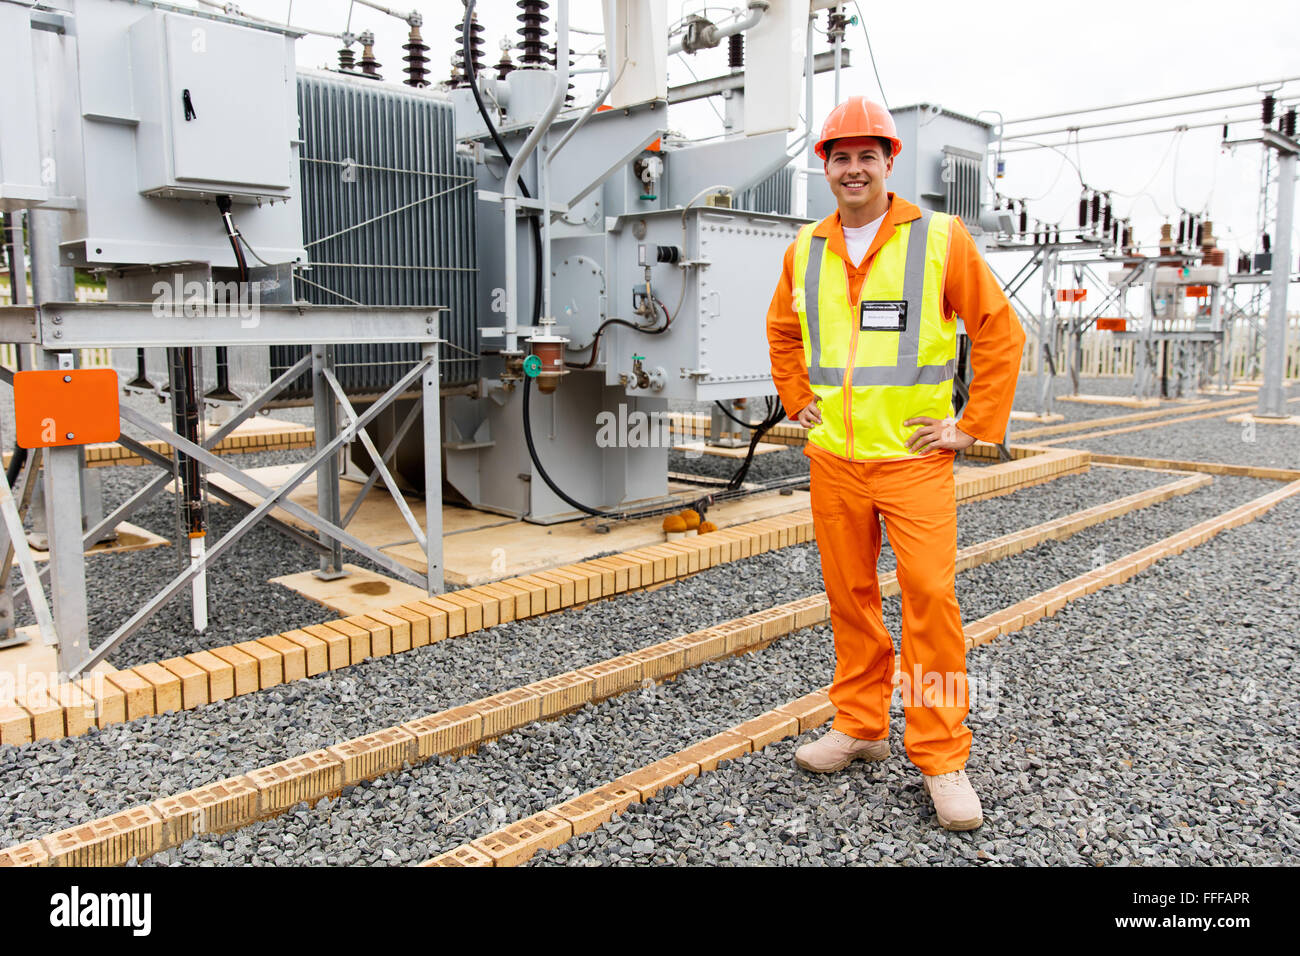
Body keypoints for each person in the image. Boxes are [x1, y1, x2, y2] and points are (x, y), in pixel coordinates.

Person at [765, 96, 1025, 831]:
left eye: (866, 157)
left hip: (911, 462)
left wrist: (971, 426)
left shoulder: (938, 237)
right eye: (840, 157)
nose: (854, 169)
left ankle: (942, 759)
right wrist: (794, 397)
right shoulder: (806, 249)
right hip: (835, 461)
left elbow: (1000, 331)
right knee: (850, 598)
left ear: (888, 163)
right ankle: (861, 724)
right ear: (827, 166)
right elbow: (783, 330)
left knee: (930, 604)